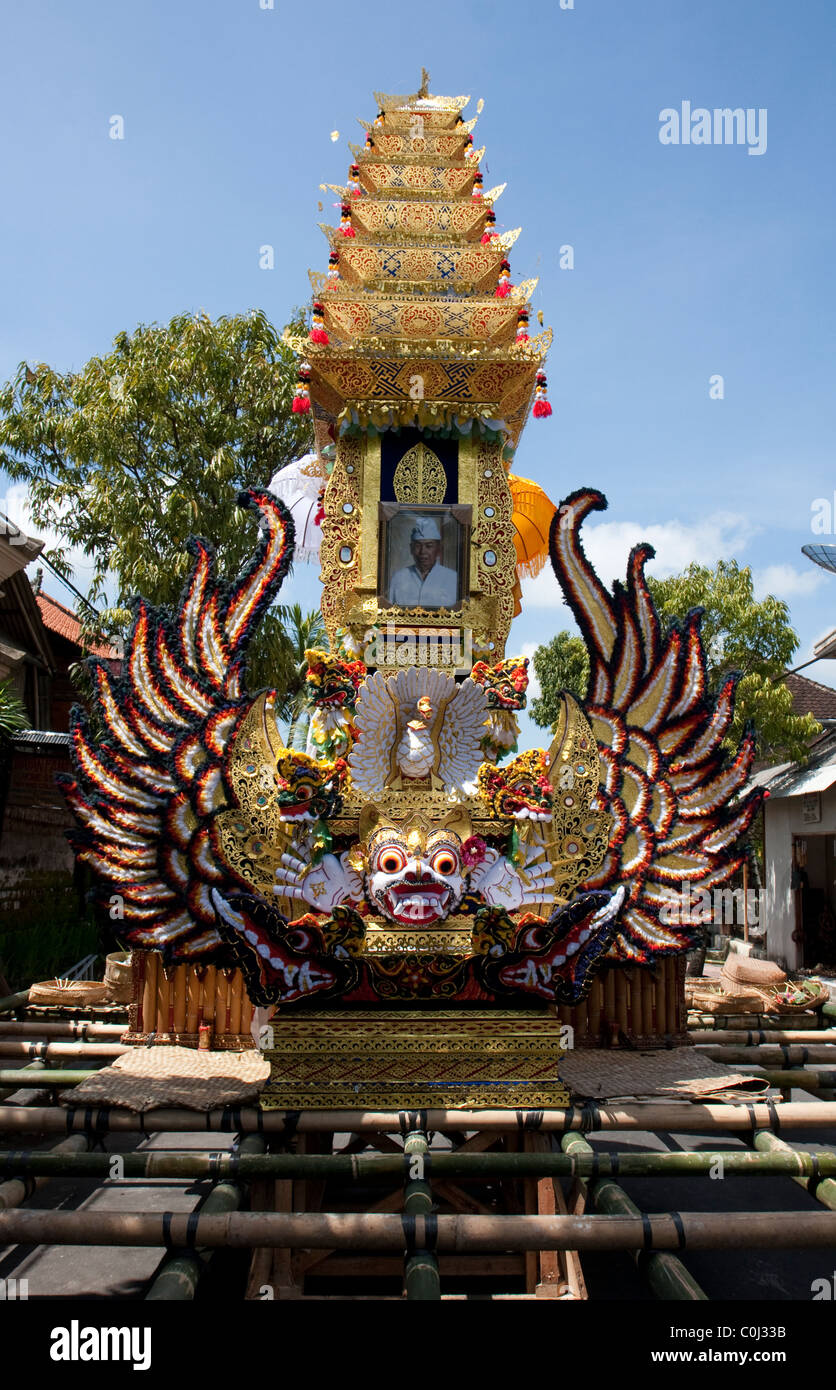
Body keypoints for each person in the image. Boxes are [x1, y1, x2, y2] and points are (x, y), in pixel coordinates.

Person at [388, 516, 459, 608]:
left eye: (429, 546)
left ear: (438, 550)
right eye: (418, 546)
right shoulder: (399, 577)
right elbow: (389, 616)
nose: (423, 552)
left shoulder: (452, 578)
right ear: (411, 548)